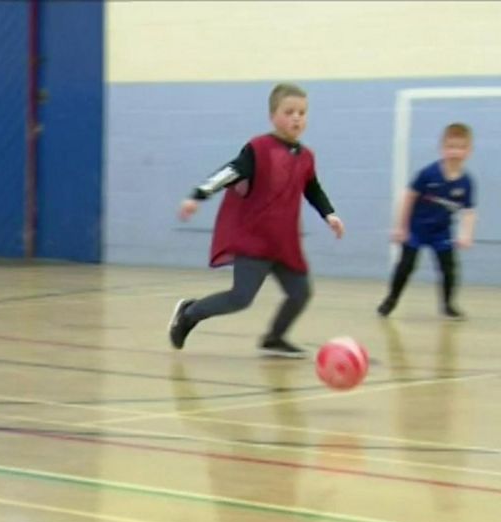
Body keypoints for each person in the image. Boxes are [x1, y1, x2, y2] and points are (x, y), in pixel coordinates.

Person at [169, 83, 345, 358]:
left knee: (300, 293)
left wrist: (329, 214)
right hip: (254, 240)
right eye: (289, 112)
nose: (297, 118)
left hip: (284, 243)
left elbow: (312, 188)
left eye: (302, 112)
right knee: (241, 298)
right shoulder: (258, 149)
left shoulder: (306, 157)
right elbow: (229, 172)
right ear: (273, 116)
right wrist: (198, 195)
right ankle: (189, 313)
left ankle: (274, 338)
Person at [378, 123, 477, 320]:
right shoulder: (428, 174)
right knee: (406, 266)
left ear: (468, 151)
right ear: (442, 148)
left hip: (441, 232)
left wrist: (466, 234)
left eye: (460, 147)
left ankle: (449, 305)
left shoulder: (466, 182)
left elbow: (469, 211)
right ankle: (391, 300)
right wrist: (401, 227)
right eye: (450, 147)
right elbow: (408, 198)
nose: (455, 152)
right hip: (416, 229)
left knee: (449, 269)